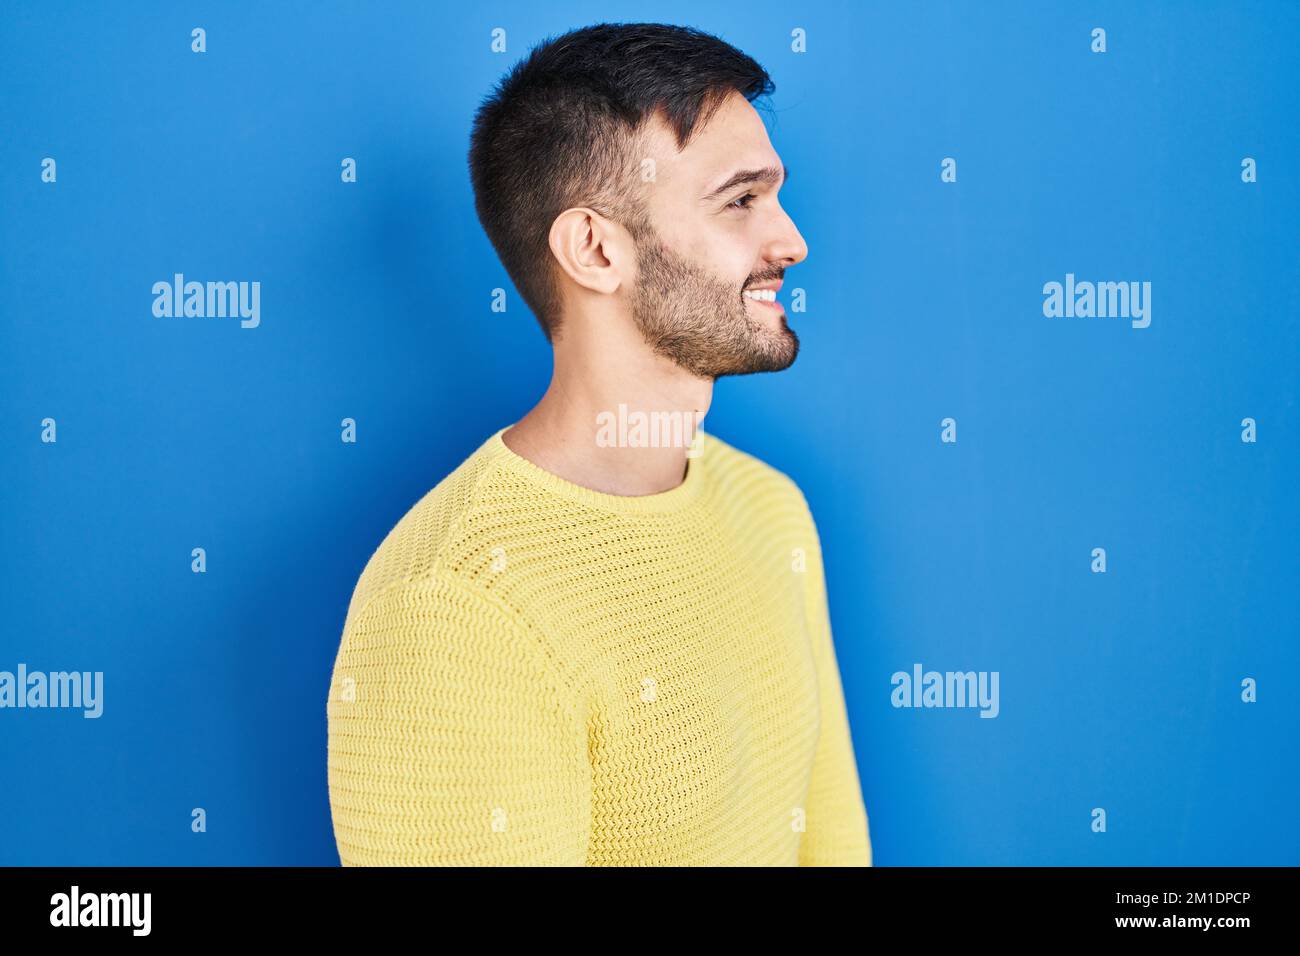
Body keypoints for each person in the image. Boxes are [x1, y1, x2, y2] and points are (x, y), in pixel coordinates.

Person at [326, 21, 871, 866]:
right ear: (593, 248)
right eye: (740, 200)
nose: (791, 241)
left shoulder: (774, 511)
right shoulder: (456, 610)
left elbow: (833, 847)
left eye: (775, 195)